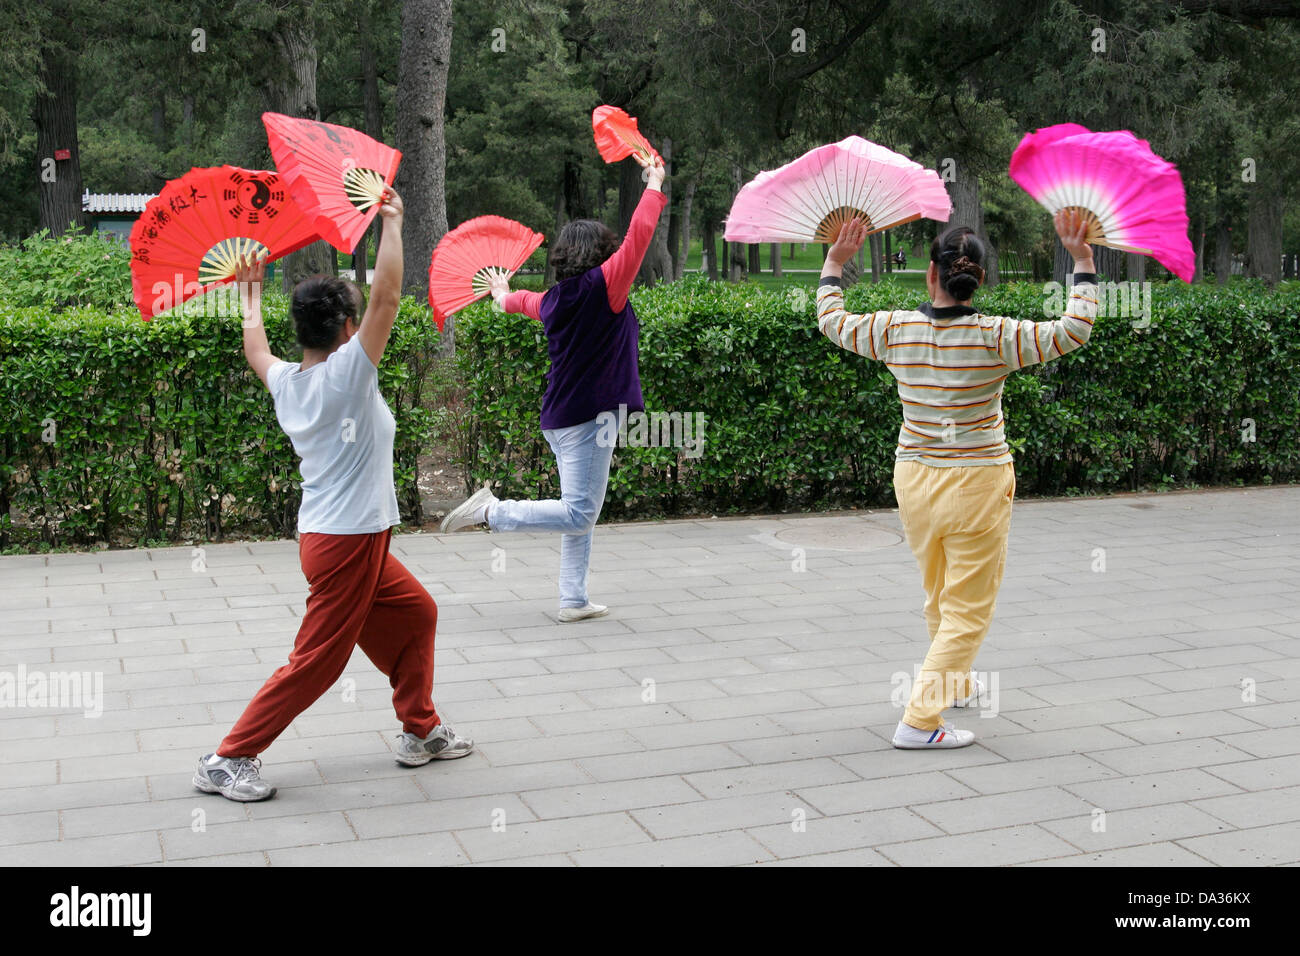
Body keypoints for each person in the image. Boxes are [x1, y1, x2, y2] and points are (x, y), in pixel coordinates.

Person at [193, 187, 472, 802]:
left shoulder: (291, 380)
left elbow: (255, 350)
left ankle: (420, 731)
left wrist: (250, 290)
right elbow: (390, 296)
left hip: (343, 537)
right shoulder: (349, 372)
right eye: (357, 318)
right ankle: (227, 758)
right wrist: (393, 222)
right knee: (318, 661)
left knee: (418, 612)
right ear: (347, 328)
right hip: (346, 544)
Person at [815, 210, 1097, 749]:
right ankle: (920, 721)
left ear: (931, 274)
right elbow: (1073, 331)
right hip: (977, 482)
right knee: (968, 607)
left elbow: (831, 321)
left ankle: (956, 681)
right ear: (980, 280)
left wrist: (834, 261)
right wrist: (1082, 260)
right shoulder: (997, 337)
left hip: (914, 478)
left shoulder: (893, 328)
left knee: (938, 590)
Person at [440, 152, 668, 624]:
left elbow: (515, 301)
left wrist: (499, 292)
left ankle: (573, 599)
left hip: (562, 416)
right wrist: (654, 183)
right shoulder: (607, 285)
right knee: (581, 512)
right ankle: (492, 513)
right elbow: (640, 237)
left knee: (576, 507)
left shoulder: (552, 300)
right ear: (603, 255)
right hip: (588, 418)